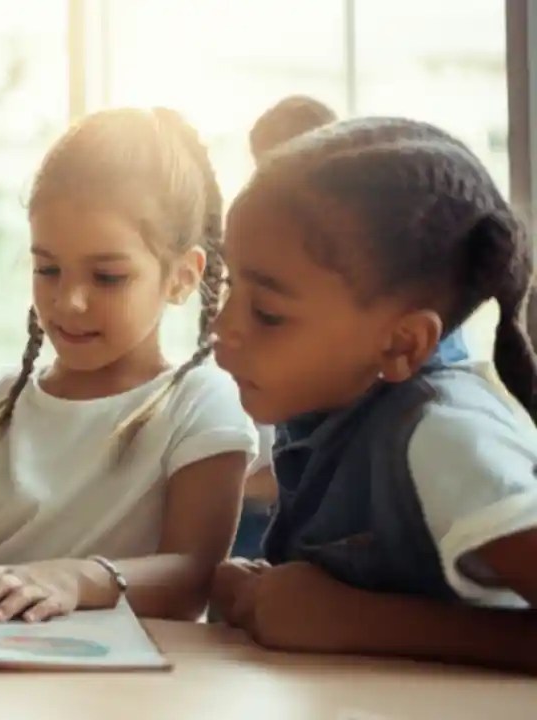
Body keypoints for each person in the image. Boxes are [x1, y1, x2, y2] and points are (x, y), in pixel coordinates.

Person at [0, 108, 260, 623]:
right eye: (48, 269)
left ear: (180, 277)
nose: (69, 302)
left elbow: (192, 579)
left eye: (107, 277)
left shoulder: (201, 406)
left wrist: (72, 579)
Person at [210, 117, 537, 675]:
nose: (223, 327)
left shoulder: (444, 437)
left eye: (267, 313)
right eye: (225, 285)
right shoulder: (324, 411)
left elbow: (339, 617)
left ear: (402, 343)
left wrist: (356, 620)